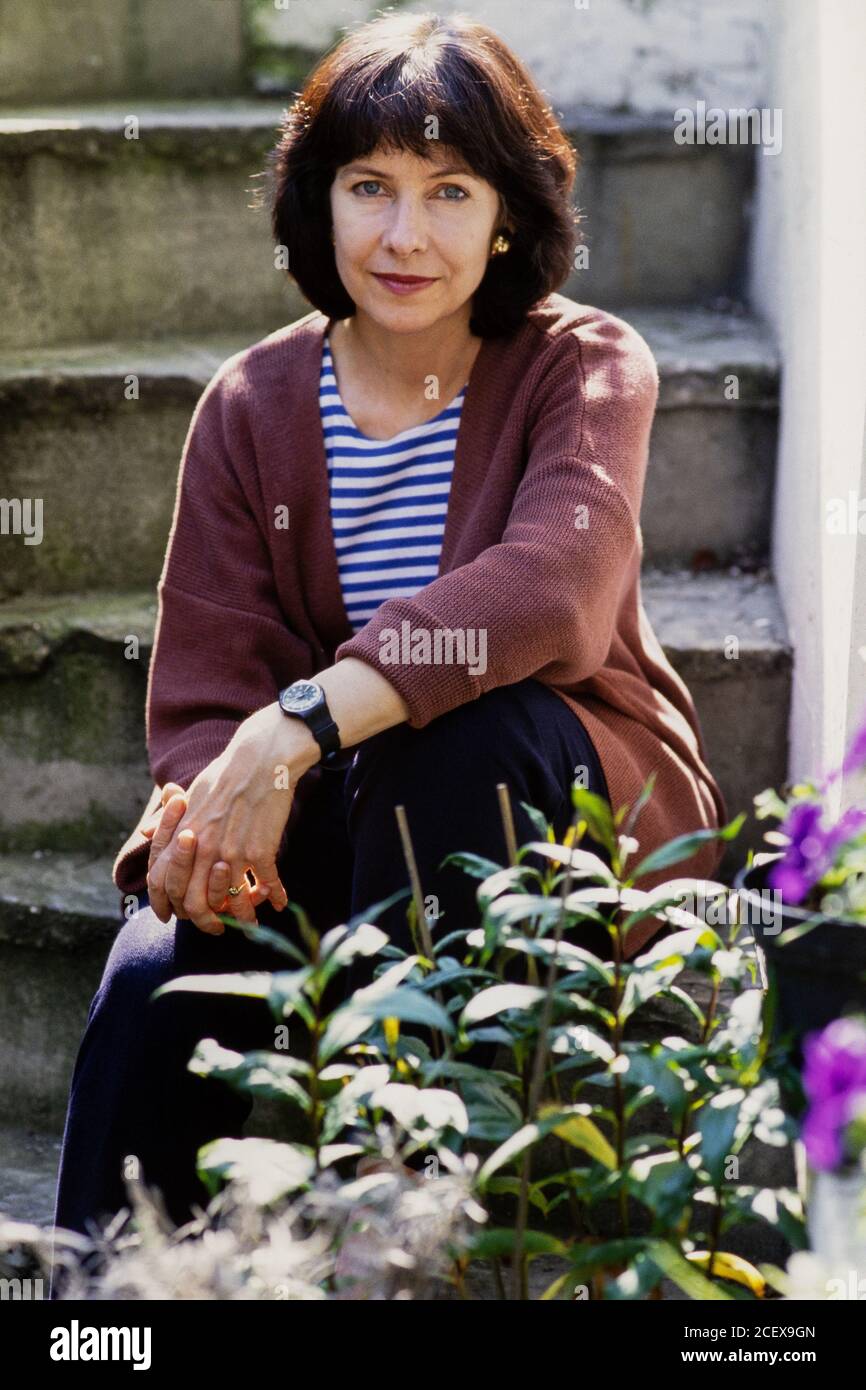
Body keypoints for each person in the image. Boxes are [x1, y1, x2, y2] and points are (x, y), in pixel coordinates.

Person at [50, 10, 727, 1268]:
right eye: (367, 187)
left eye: (447, 191)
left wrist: (300, 722)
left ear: (507, 214)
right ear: (318, 203)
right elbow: (208, 691)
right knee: (155, 978)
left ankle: (402, 1233)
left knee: (446, 746)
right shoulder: (251, 407)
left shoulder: (580, 364)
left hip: (554, 800)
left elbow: (552, 591)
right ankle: (106, 1307)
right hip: (328, 806)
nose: (403, 234)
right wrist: (209, 822)